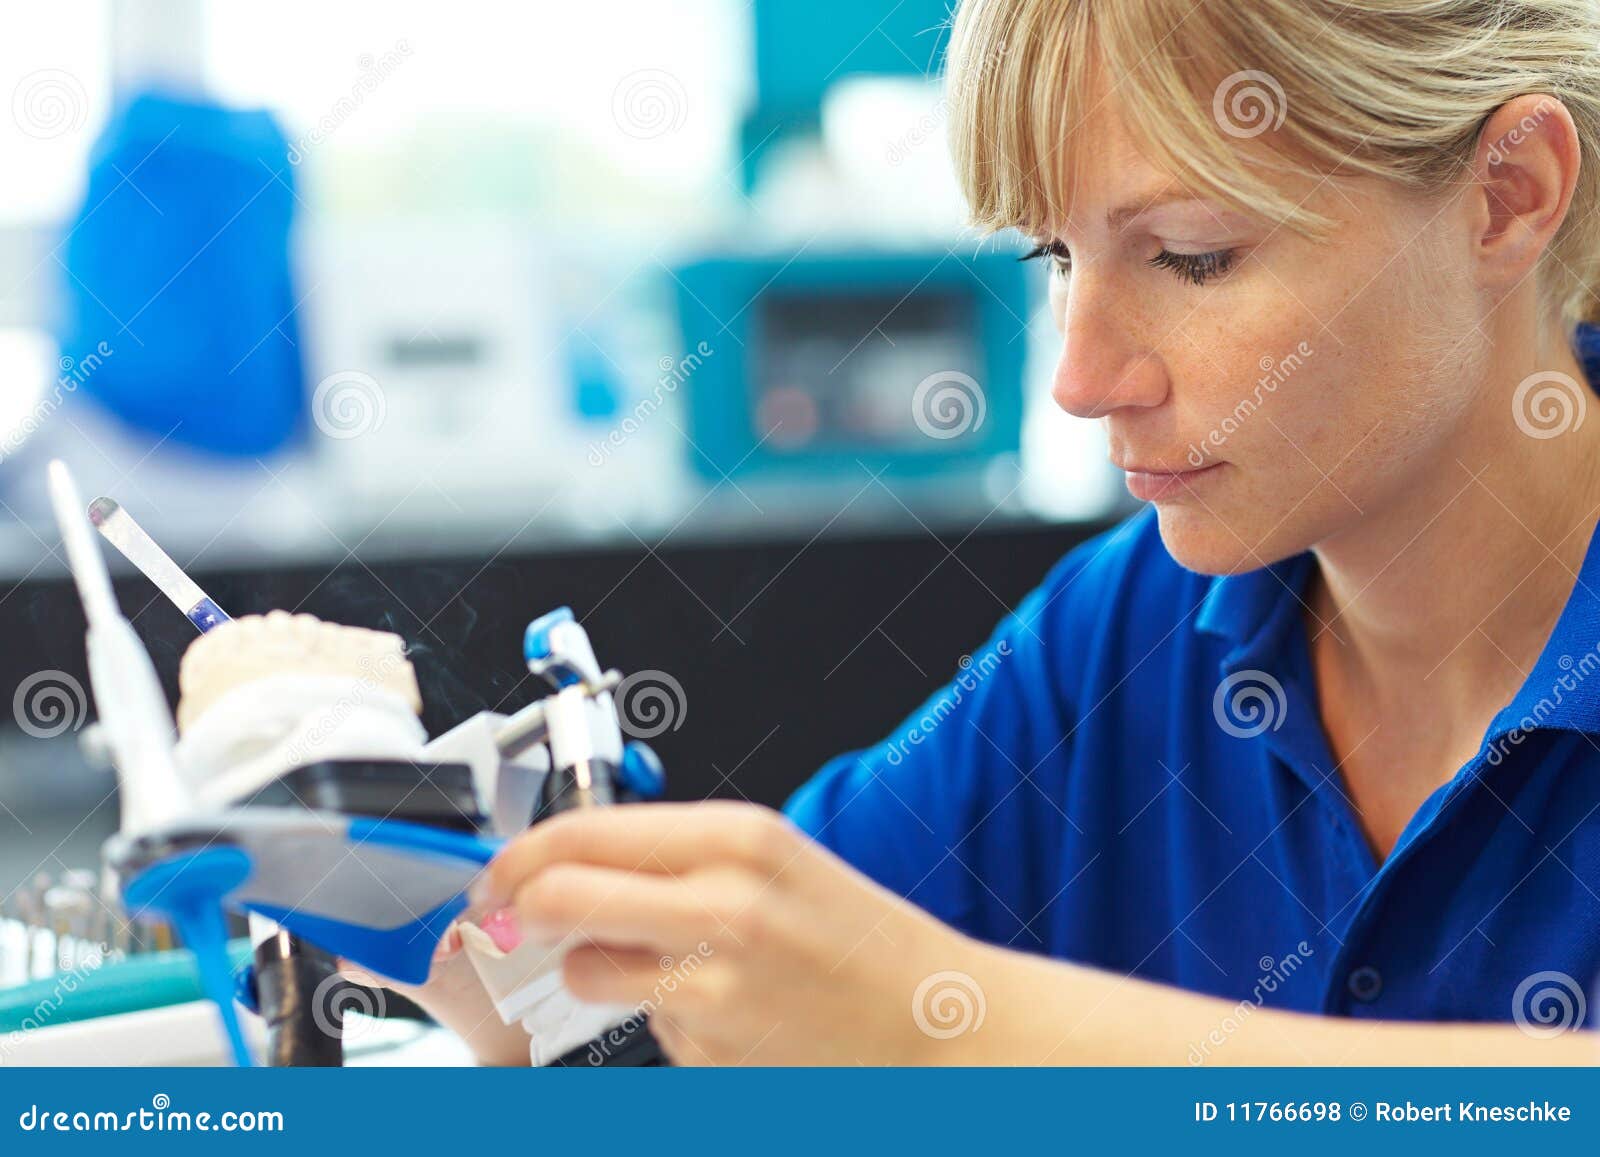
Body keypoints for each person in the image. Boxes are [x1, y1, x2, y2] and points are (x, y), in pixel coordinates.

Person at [415, 0, 1600, 1064]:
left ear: (1507, 195)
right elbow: (674, 1014)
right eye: (1056, 255)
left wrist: (952, 1026)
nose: (1079, 380)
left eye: (1192, 256)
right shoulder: (1124, 633)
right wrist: (443, 899)